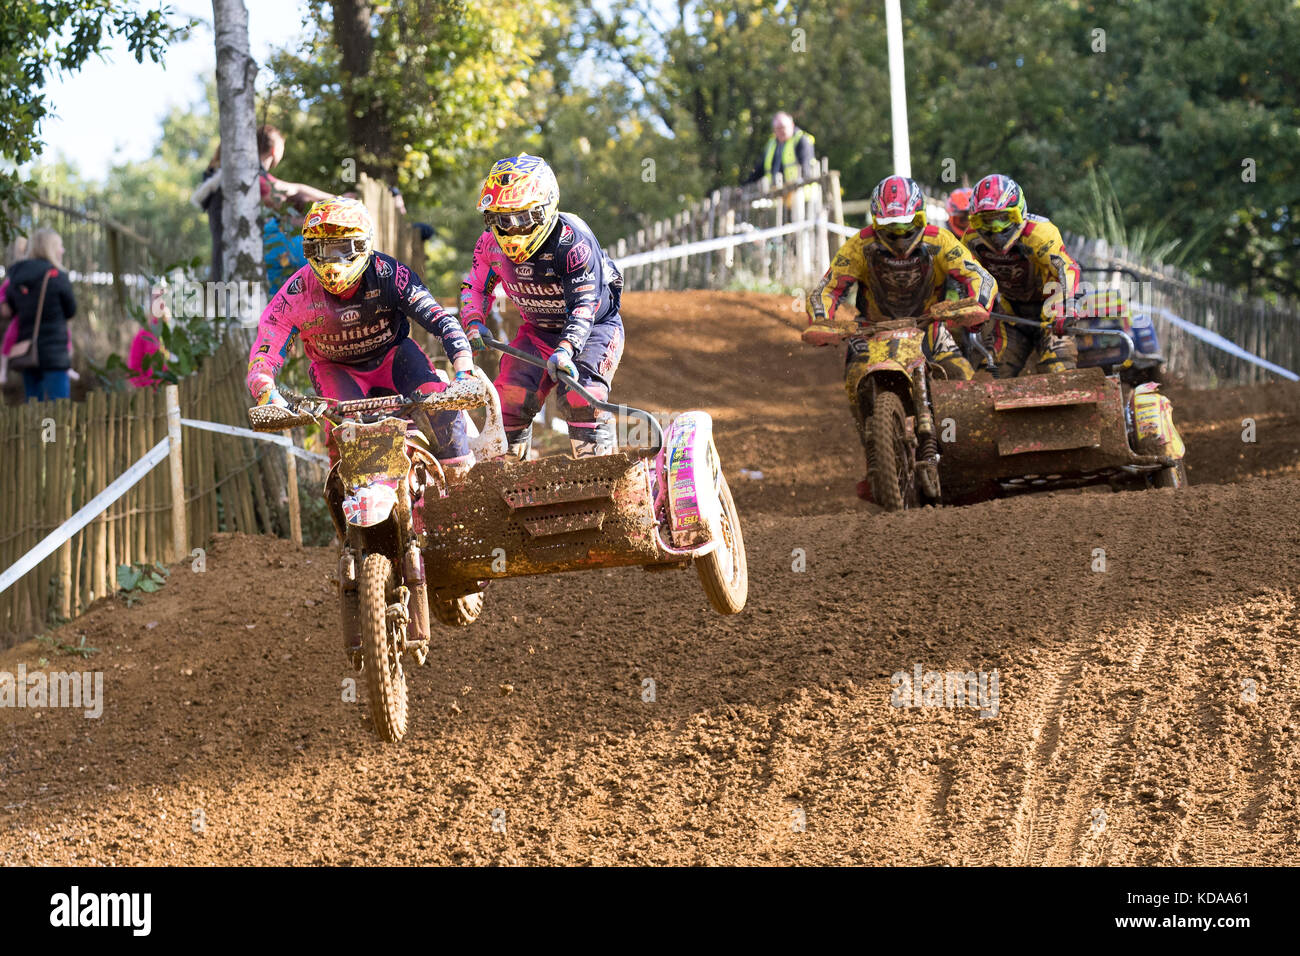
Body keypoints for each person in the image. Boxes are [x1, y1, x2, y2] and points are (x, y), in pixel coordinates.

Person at [246, 196, 476, 478]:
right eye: (321, 250)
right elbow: (266, 347)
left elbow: (440, 320)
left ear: (364, 245)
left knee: (441, 407)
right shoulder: (297, 292)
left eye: (343, 248)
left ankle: (463, 489)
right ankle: (349, 511)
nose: (333, 262)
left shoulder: (389, 274)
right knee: (348, 435)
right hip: (336, 369)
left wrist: (464, 372)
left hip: (394, 358)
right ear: (307, 250)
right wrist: (265, 389)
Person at [805, 175, 997, 499]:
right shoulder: (860, 244)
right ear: (877, 223)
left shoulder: (940, 240)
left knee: (962, 378)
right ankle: (876, 462)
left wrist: (976, 305)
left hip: (929, 326)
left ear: (920, 219)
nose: (898, 235)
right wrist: (822, 320)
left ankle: (976, 458)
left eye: (906, 227)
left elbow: (978, 275)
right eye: (890, 228)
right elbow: (829, 286)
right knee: (856, 381)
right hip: (873, 330)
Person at [460, 153, 626, 461]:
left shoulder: (572, 240)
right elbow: (476, 286)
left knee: (581, 396)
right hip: (538, 333)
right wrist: (472, 321)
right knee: (509, 396)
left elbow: (584, 303)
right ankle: (505, 479)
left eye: (522, 219)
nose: (511, 230)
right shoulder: (489, 245)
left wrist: (566, 348)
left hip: (594, 331)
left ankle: (600, 470)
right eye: (500, 219)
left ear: (545, 209)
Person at [964, 174, 1082, 378]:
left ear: (1018, 214)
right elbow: (971, 277)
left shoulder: (1040, 233)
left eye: (1003, 220)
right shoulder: (972, 240)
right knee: (989, 378)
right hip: (1012, 315)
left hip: (1052, 310)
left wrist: (1067, 305)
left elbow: (1066, 268)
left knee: (1059, 371)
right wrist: (975, 307)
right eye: (986, 222)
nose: (995, 231)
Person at [2, 229, 78, 402]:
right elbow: (71, 310)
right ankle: (51, 430)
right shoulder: (57, 276)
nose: (63, 250)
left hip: (28, 352)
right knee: (57, 408)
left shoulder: (16, 277)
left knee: (33, 406)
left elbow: (11, 309)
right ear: (50, 248)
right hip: (54, 354)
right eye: (60, 246)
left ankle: (40, 430)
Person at [744, 112, 816, 187]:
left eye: (783, 127)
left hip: (800, 192)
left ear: (792, 125)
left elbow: (806, 169)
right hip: (778, 193)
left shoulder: (801, 140)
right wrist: (744, 185)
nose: (781, 131)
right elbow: (759, 169)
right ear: (774, 130)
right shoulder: (771, 145)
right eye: (778, 128)